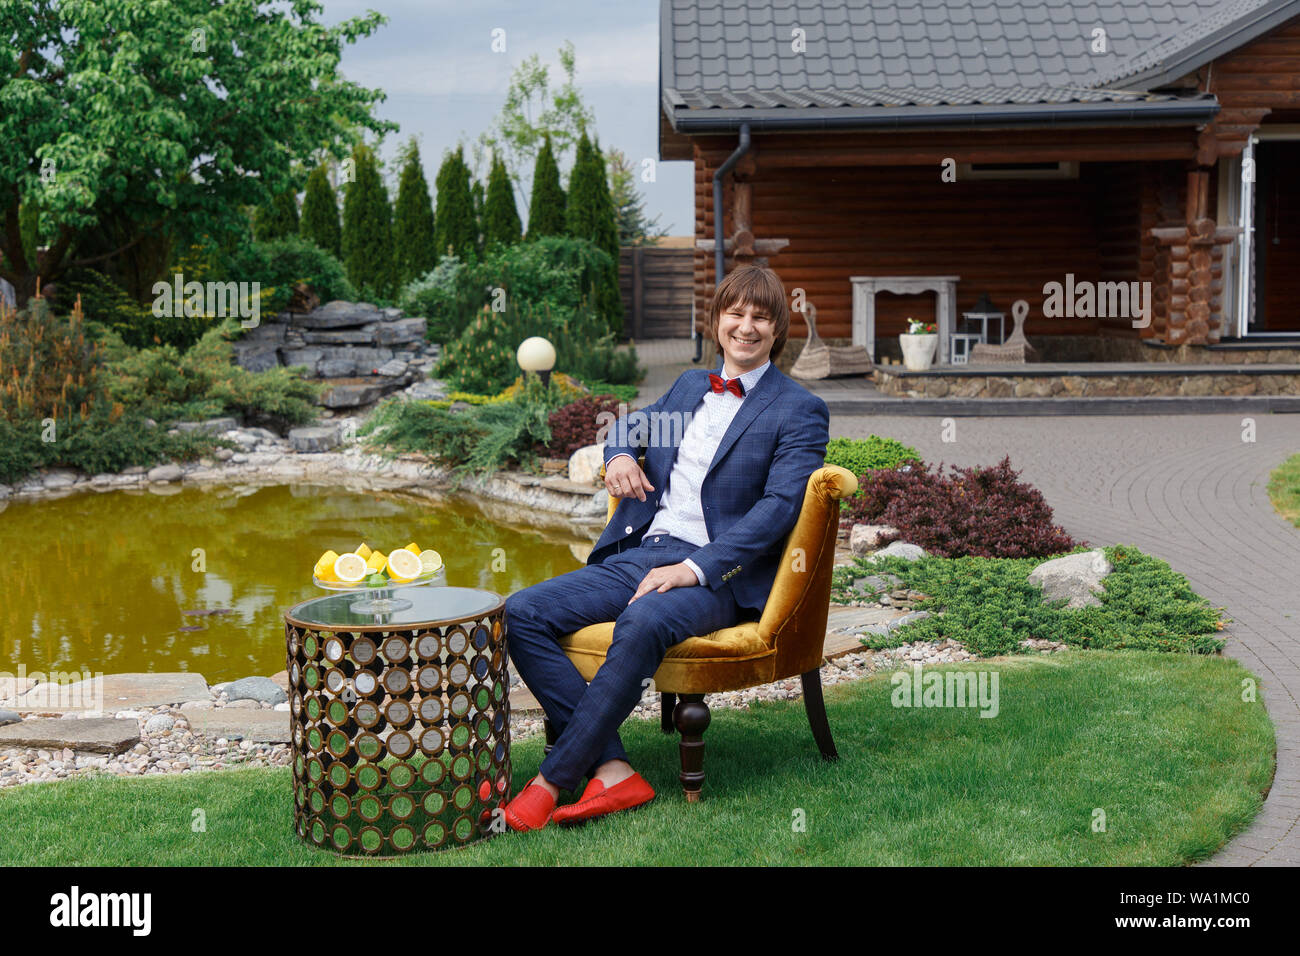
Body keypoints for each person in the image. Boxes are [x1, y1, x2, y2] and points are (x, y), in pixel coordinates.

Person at [501, 264, 831, 830]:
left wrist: (694, 568)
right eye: (736, 314)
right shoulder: (689, 386)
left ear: (778, 329)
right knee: (521, 613)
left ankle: (549, 781)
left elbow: (778, 509)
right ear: (718, 320)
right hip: (642, 551)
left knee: (644, 622)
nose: (746, 327)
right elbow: (631, 425)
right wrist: (620, 455)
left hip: (720, 574)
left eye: (761, 317)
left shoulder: (798, 409)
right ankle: (611, 768)